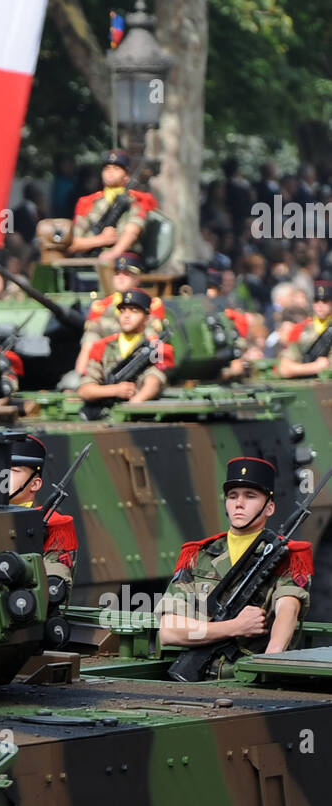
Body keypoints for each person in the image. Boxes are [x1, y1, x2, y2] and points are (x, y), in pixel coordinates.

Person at [158, 456, 312, 678]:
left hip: (247, 676)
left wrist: (268, 664)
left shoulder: (287, 556)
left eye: (250, 496)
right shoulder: (198, 555)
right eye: (232, 496)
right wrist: (234, 627)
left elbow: (288, 610)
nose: (239, 503)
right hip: (196, 679)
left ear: (269, 508)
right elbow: (170, 632)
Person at [7, 433, 78, 597]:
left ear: (35, 483)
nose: (3, 475)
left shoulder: (54, 525)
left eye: (13, 470)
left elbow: (54, 585)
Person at [78, 288, 173, 408]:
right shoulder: (102, 347)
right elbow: (85, 390)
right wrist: (115, 390)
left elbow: (155, 379)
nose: (127, 316)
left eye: (134, 311)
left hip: (140, 410)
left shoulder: (156, 347)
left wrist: (137, 400)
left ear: (147, 318)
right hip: (105, 409)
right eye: (123, 311)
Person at [74, 253, 165, 375]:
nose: (120, 278)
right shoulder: (101, 306)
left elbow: (153, 337)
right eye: (117, 274)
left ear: (137, 278)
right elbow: (91, 341)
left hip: (141, 361)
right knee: (91, 336)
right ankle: (81, 375)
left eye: (127, 274)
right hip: (108, 359)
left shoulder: (151, 304)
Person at [66, 150, 154, 262]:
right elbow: (73, 243)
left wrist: (114, 253)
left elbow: (132, 232)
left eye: (116, 169)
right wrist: (102, 240)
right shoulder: (88, 202)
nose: (110, 172)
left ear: (126, 176)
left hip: (124, 261)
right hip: (90, 260)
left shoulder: (137, 201)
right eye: (107, 168)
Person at [277, 281, 332, 379]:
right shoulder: (301, 329)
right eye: (316, 300)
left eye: (325, 301)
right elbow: (284, 368)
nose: (320, 305)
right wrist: (314, 367)